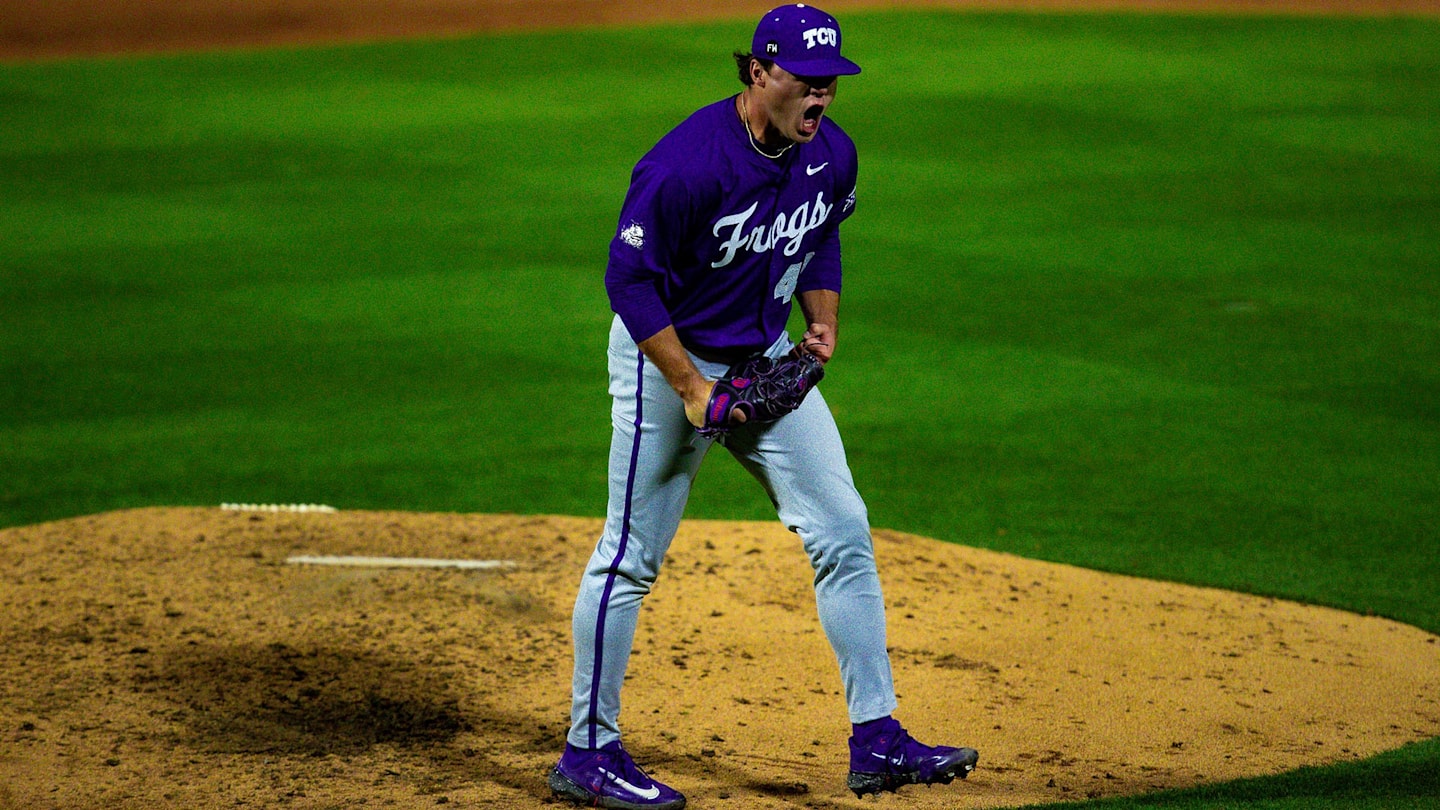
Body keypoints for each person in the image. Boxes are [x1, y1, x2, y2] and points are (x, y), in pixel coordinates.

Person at [547, 5, 978, 808]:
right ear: (758, 74)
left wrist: (823, 315)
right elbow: (629, 282)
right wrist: (688, 386)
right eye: (807, 84)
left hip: (763, 360)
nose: (821, 100)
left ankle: (877, 738)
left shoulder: (831, 156)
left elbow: (820, 236)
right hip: (667, 360)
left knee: (843, 531)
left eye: (831, 85)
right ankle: (588, 751)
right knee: (631, 557)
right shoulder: (685, 167)